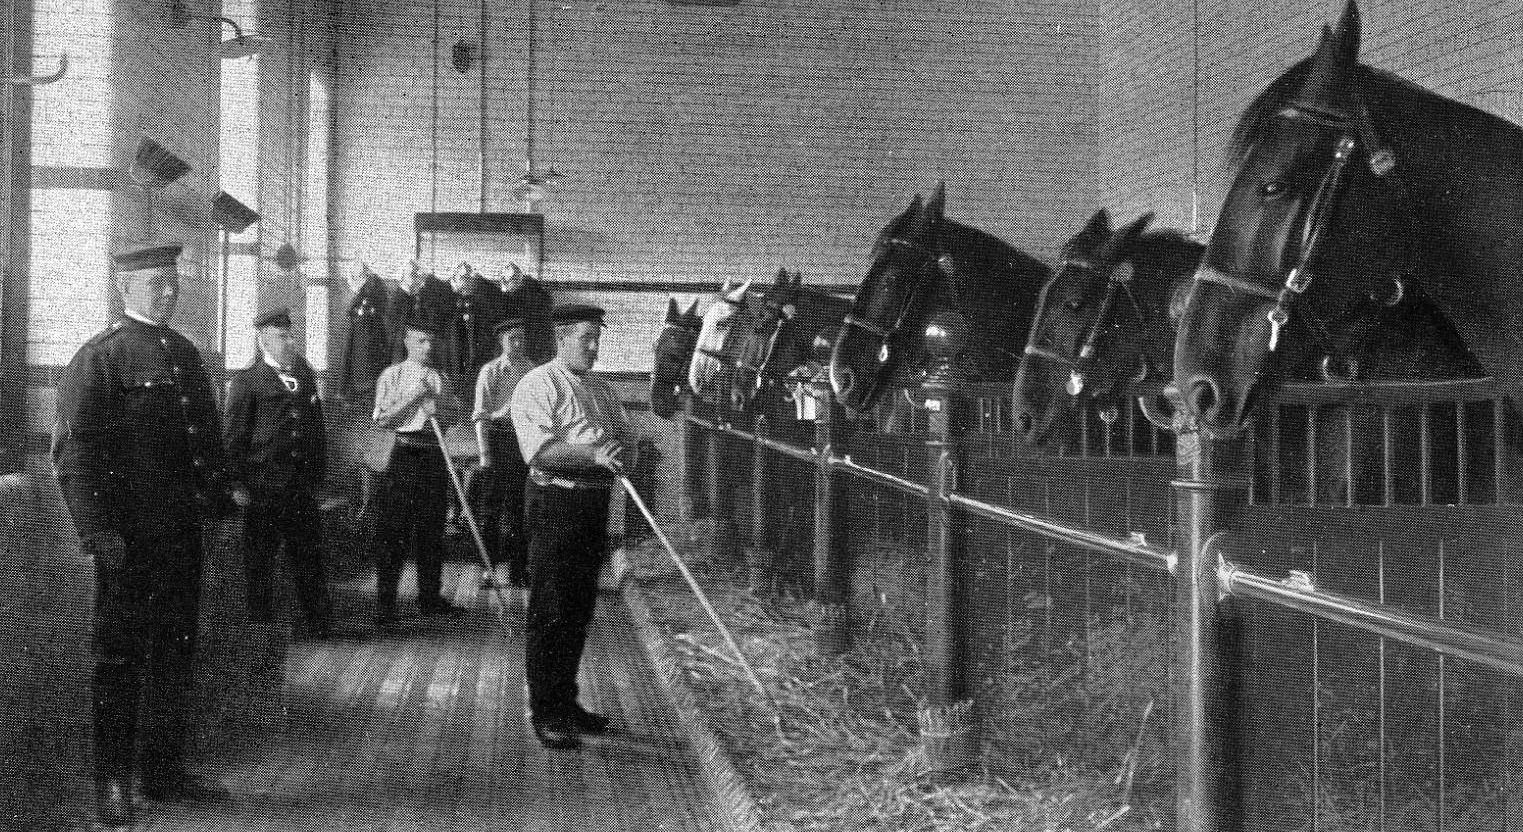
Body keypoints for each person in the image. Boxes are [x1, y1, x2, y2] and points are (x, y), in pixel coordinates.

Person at [51, 244, 234, 828]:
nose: (169, 291)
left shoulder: (182, 352)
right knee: (120, 657)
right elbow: (75, 454)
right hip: (128, 539)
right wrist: (97, 531)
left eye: (172, 281)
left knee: (175, 651)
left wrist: (218, 502)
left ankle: (162, 771)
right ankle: (112, 782)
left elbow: (205, 439)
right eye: (156, 283)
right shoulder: (100, 358)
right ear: (123, 287)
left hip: (181, 533)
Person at [511, 303, 635, 749]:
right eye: (586, 337)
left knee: (579, 607)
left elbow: (622, 432)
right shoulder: (537, 385)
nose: (594, 346)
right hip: (555, 500)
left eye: (597, 337)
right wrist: (592, 456)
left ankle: (566, 701)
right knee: (551, 607)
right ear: (561, 338)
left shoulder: (601, 387)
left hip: (593, 502)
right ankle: (544, 711)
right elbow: (541, 452)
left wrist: (627, 449)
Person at [224, 307, 333, 639]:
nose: (289, 343)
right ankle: (261, 630)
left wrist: (317, 478)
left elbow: (316, 431)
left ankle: (318, 625)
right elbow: (233, 438)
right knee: (259, 562)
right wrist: (237, 484)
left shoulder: (305, 378)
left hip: (300, 489)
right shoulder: (246, 382)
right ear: (262, 340)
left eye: (291, 336)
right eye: (280, 337)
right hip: (262, 489)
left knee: (309, 558)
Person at [371, 317, 468, 631]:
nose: (427, 347)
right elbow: (383, 419)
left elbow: (454, 415)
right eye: (420, 341)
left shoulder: (441, 378)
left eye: (431, 341)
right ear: (407, 343)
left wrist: (437, 404)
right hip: (401, 454)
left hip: (433, 454)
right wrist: (413, 397)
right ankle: (386, 602)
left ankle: (430, 598)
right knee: (393, 531)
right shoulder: (392, 375)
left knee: (432, 530)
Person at [471, 317, 538, 589]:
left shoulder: (533, 370)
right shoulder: (490, 371)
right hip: (497, 442)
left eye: (522, 338)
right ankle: (488, 570)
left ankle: (518, 570)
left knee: (520, 510)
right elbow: (480, 416)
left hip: (524, 444)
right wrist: (485, 453)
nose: (519, 343)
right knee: (490, 511)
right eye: (513, 339)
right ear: (502, 342)